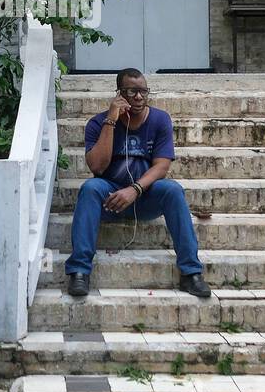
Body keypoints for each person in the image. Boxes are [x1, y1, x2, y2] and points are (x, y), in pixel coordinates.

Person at [64, 67, 210, 298]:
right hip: (109, 197)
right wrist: (111, 121)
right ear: (119, 93)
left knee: (172, 190)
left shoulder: (160, 120)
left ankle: (191, 273)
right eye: (132, 92)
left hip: (144, 195)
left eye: (143, 91)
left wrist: (135, 189)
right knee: (90, 188)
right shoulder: (97, 123)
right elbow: (97, 167)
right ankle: (79, 272)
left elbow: (162, 166)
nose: (139, 97)